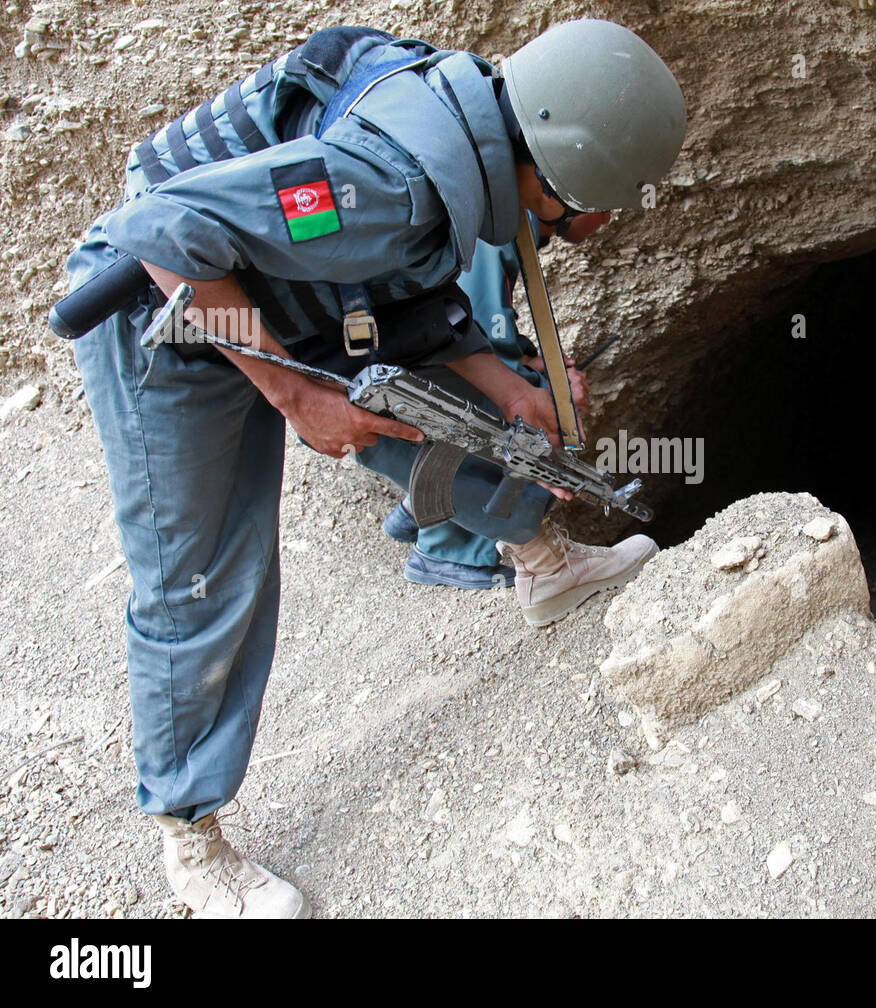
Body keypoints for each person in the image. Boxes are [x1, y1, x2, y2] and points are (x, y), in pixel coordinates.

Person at [64, 20, 686, 918]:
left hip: (279, 293)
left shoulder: (469, 125)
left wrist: (502, 385)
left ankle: (543, 564)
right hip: (171, 319)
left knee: (433, 413)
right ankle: (189, 832)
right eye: (598, 207)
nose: (595, 228)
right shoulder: (389, 183)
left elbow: (399, 290)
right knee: (202, 573)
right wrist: (294, 396)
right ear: (555, 170)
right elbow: (164, 236)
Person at [375, 209, 613, 597]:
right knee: (545, 402)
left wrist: (525, 359)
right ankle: (454, 550)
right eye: (605, 205)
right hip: (389, 391)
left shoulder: (504, 217)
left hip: (399, 370)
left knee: (535, 385)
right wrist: (543, 382)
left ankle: (423, 513)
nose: (607, 219)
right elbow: (476, 350)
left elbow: (466, 327)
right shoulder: (498, 232)